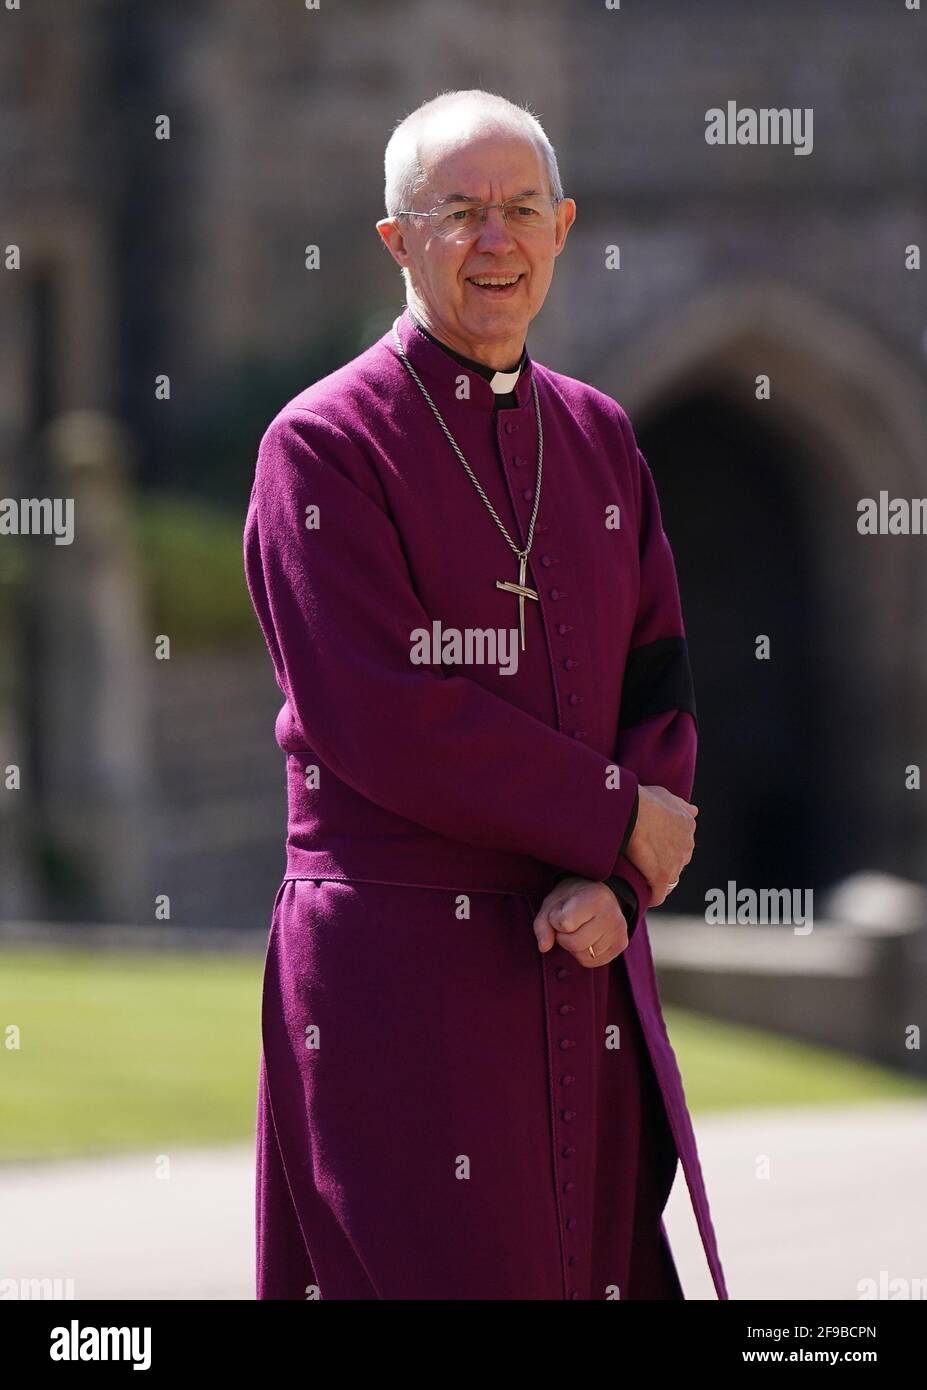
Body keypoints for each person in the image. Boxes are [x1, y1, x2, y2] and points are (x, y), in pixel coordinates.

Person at [244, 88, 727, 1300]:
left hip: (580, 959)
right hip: (404, 984)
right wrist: (618, 822)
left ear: (563, 227)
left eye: (519, 209)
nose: (494, 240)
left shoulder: (603, 437)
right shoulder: (322, 447)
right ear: (396, 239)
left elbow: (658, 682)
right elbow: (385, 717)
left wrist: (619, 879)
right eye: (457, 212)